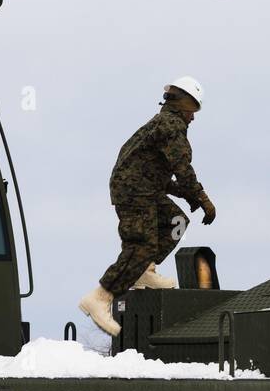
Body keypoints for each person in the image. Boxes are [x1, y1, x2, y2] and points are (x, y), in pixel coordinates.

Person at [78, 77, 216, 337]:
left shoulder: (162, 124)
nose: (193, 117)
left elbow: (160, 176)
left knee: (177, 222)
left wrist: (190, 197)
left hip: (144, 189)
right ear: (183, 105)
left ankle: (145, 269)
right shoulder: (171, 126)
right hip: (135, 192)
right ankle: (100, 296)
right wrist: (203, 199)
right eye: (192, 110)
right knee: (141, 245)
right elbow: (183, 170)